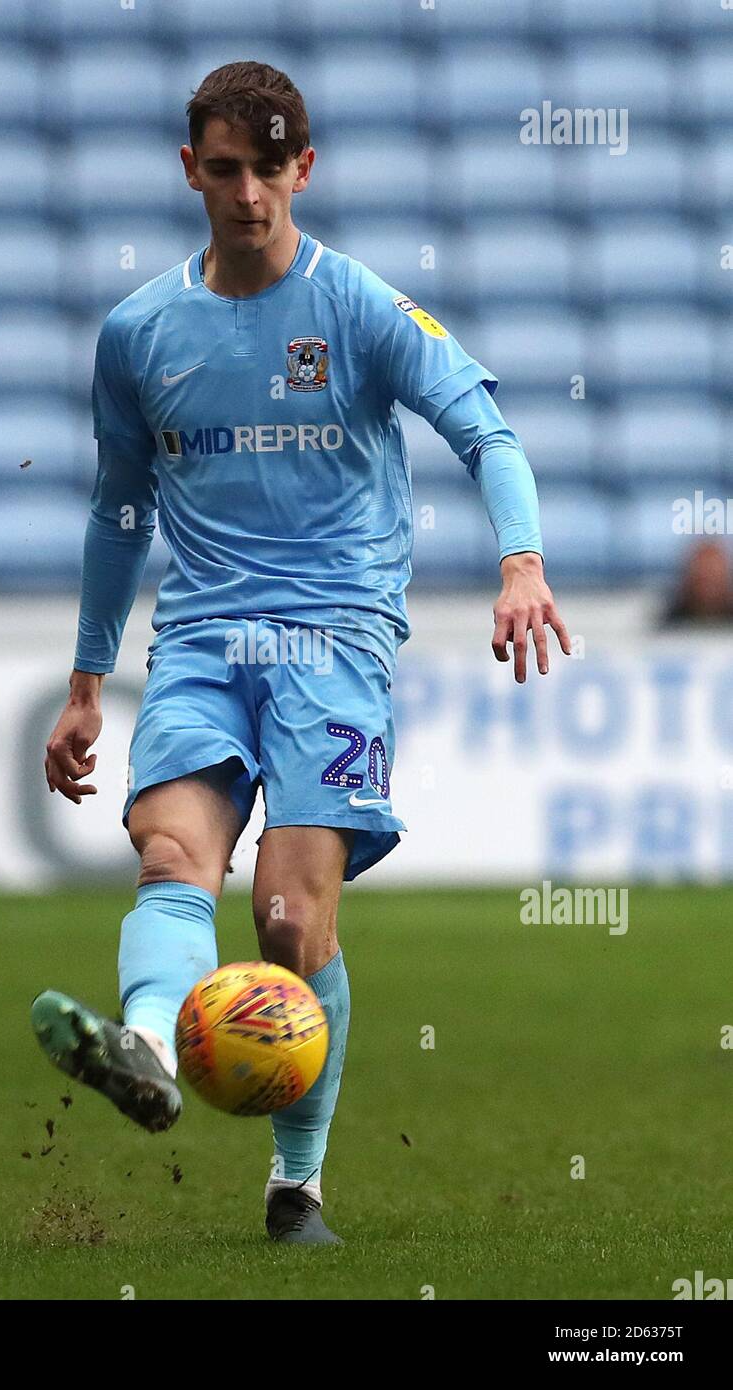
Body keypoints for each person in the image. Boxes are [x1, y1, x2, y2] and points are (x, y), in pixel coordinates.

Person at [32, 62, 570, 1244]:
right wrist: (83, 683)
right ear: (191, 170)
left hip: (336, 638)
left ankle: (296, 1184)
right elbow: (119, 510)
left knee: (286, 920)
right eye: (223, 168)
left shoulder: (364, 308)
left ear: (302, 170)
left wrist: (519, 561)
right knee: (171, 848)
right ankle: (149, 1046)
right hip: (203, 636)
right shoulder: (139, 333)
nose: (248, 193)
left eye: (268, 169)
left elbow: (487, 431)